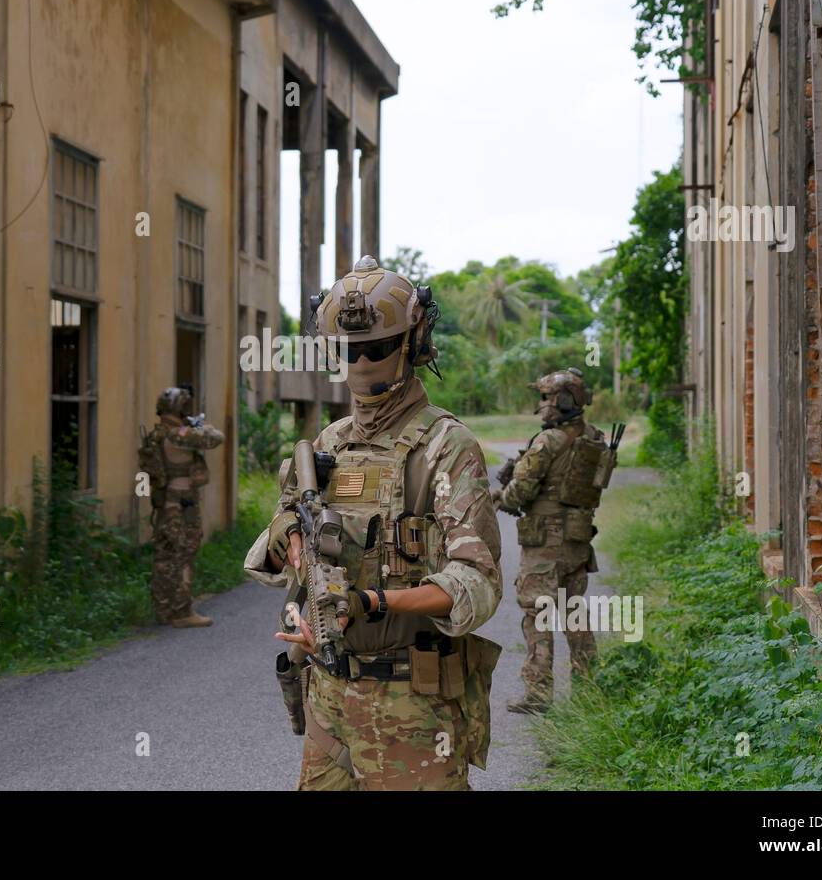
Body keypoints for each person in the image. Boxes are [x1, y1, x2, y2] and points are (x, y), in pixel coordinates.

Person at [245, 255, 503, 790]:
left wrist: (371, 603)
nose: (362, 361)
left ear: (413, 342)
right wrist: (291, 540)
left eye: (377, 347)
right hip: (329, 698)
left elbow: (476, 582)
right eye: (347, 349)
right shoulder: (328, 445)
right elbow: (276, 534)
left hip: (412, 707)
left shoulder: (445, 447)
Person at [496, 368, 604, 714]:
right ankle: (588, 689)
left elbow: (521, 491)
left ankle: (538, 694)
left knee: (537, 613)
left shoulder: (547, 441)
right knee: (575, 611)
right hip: (576, 536)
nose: (543, 405)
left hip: (544, 539)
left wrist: (503, 496)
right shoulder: (594, 437)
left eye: (547, 398)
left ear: (564, 401)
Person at [145, 385, 223, 628]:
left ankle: (163, 608)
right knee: (184, 555)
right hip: (181, 505)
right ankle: (182, 611)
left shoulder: (158, 434)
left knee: (165, 555)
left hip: (165, 504)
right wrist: (198, 424)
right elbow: (215, 438)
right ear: (179, 408)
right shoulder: (178, 434)